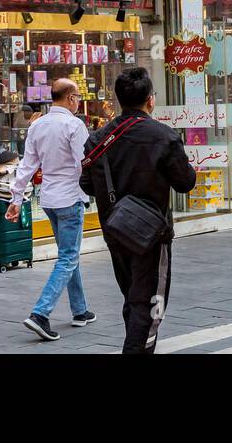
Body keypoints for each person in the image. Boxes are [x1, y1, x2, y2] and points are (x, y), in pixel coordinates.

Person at [84, 68, 196, 353]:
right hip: (151, 236)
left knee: (133, 298)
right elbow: (185, 182)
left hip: (116, 230)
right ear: (150, 100)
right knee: (150, 305)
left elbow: (86, 184)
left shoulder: (98, 139)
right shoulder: (164, 137)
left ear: (119, 99)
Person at [7, 78, 96, 341]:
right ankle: (40, 314)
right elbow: (84, 163)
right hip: (69, 198)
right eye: (78, 96)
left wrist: (16, 198)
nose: (79, 101)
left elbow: (27, 165)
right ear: (70, 99)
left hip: (48, 200)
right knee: (68, 257)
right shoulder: (73, 124)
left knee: (69, 254)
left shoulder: (38, 125)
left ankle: (80, 310)